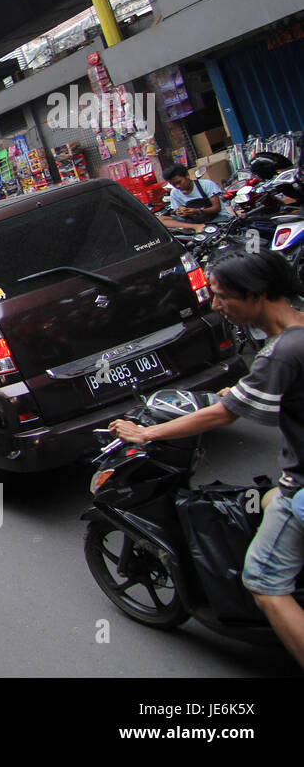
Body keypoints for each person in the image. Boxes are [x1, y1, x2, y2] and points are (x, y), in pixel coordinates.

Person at [108, 252, 304, 668]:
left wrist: (146, 432)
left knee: (264, 582)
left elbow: (224, 414)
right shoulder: (294, 337)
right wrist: (235, 392)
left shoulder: (282, 352)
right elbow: (247, 394)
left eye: (221, 296)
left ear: (257, 294)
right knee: (264, 502)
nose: (216, 306)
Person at [158, 163, 230, 232]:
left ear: (187, 175)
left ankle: (198, 227)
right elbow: (178, 210)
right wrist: (180, 213)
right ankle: (196, 227)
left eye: (179, 182)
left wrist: (197, 211)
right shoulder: (174, 193)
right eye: (173, 184)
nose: (177, 186)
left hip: (217, 218)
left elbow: (217, 208)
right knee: (159, 220)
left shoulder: (206, 184)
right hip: (195, 221)